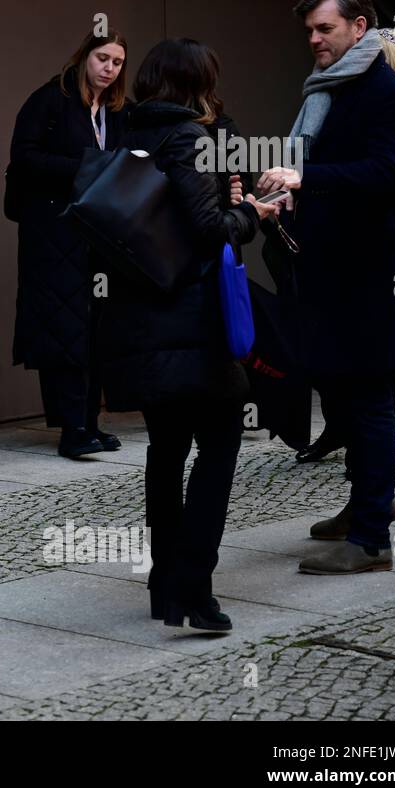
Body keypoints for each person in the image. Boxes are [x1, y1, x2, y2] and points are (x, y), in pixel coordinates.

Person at [96, 39, 280, 632]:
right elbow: (210, 229)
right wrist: (255, 212)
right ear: (197, 83)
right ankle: (195, 588)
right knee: (221, 444)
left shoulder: (128, 133)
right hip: (192, 322)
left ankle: (163, 586)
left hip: (141, 318)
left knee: (167, 448)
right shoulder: (194, 139)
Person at [258, 0, 395, 573]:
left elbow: (386, 172)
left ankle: (373, 539)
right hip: (327, 276)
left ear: (360, 27)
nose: (314, 40)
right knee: (342, 396)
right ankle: (367, 504)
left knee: (371, 401)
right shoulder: (327, 90)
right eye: (310, 31)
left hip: (372, 279)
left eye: (325, 29)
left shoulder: (385, 93)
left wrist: (308, 178)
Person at [4, 29, 128, 458]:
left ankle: (89, 422)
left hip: (96, 232)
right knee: (64, 327)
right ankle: (71, 426)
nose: (109, 69)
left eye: (117, 62)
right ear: (83, 57)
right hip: (53, 232)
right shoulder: (50, 100)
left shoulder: (115, 110)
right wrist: (86, 166)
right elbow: (25, 157)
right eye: (102, 59)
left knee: (95, 327)